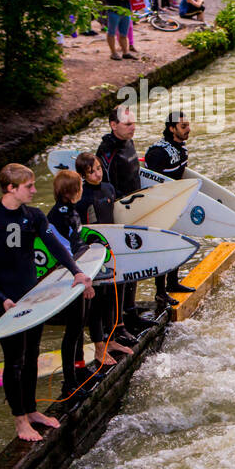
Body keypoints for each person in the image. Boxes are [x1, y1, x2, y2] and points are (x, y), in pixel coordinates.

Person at [0, 164, 94, 442]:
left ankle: (32, 410)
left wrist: (77, 272)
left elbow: (56, 246)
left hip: (32, 297)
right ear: (11, 188)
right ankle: (20, 421)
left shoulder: (34, 216)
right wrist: (1, 297)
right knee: (14, 361)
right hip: (5, 301)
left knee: (32, 355)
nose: (35, 190)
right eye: (29, 186)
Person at [96, 105, 155, 331]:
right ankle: (117, 323)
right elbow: (104, 188)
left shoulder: (128, 142)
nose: (133, 128)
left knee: (135, 262)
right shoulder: (106, 152)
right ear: (113, 125)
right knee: (122, 266)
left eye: (134, 123)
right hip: (118, 215)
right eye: (128, 124)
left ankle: (130, 312)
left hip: (135, 210)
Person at [74, 152, 136, 363]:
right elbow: (80, 231)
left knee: (110, 296)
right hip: (93, 255)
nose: (97, 174)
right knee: (97, 302)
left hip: (110, 251)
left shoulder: (108, 188)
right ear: (82, 175)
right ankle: (99, 347)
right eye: (91, 172)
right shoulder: (82, 199)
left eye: (99, 168)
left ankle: (111, 339)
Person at [46, 171, 101, 401]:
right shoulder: (59, 215)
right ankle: (69, 382)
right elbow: (64, 249)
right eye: (80, 187)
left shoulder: (70, 211)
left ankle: (79, 367)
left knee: (79, 326)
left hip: (79, 269)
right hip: (70, 274)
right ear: (71, 192)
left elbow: (75, 240)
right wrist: (82, 278)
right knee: (74, 329)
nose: (82, 190)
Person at [143, 111, 197, 303]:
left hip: (176, 203)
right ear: (171, 128)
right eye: (183, 126)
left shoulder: (181, 147)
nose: (188, 129)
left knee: (175, 243)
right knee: (163, 247)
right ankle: (160, 292)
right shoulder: (158, 152)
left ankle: (172, 282)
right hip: (160, 207)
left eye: (188, 125)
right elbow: (151, 183)